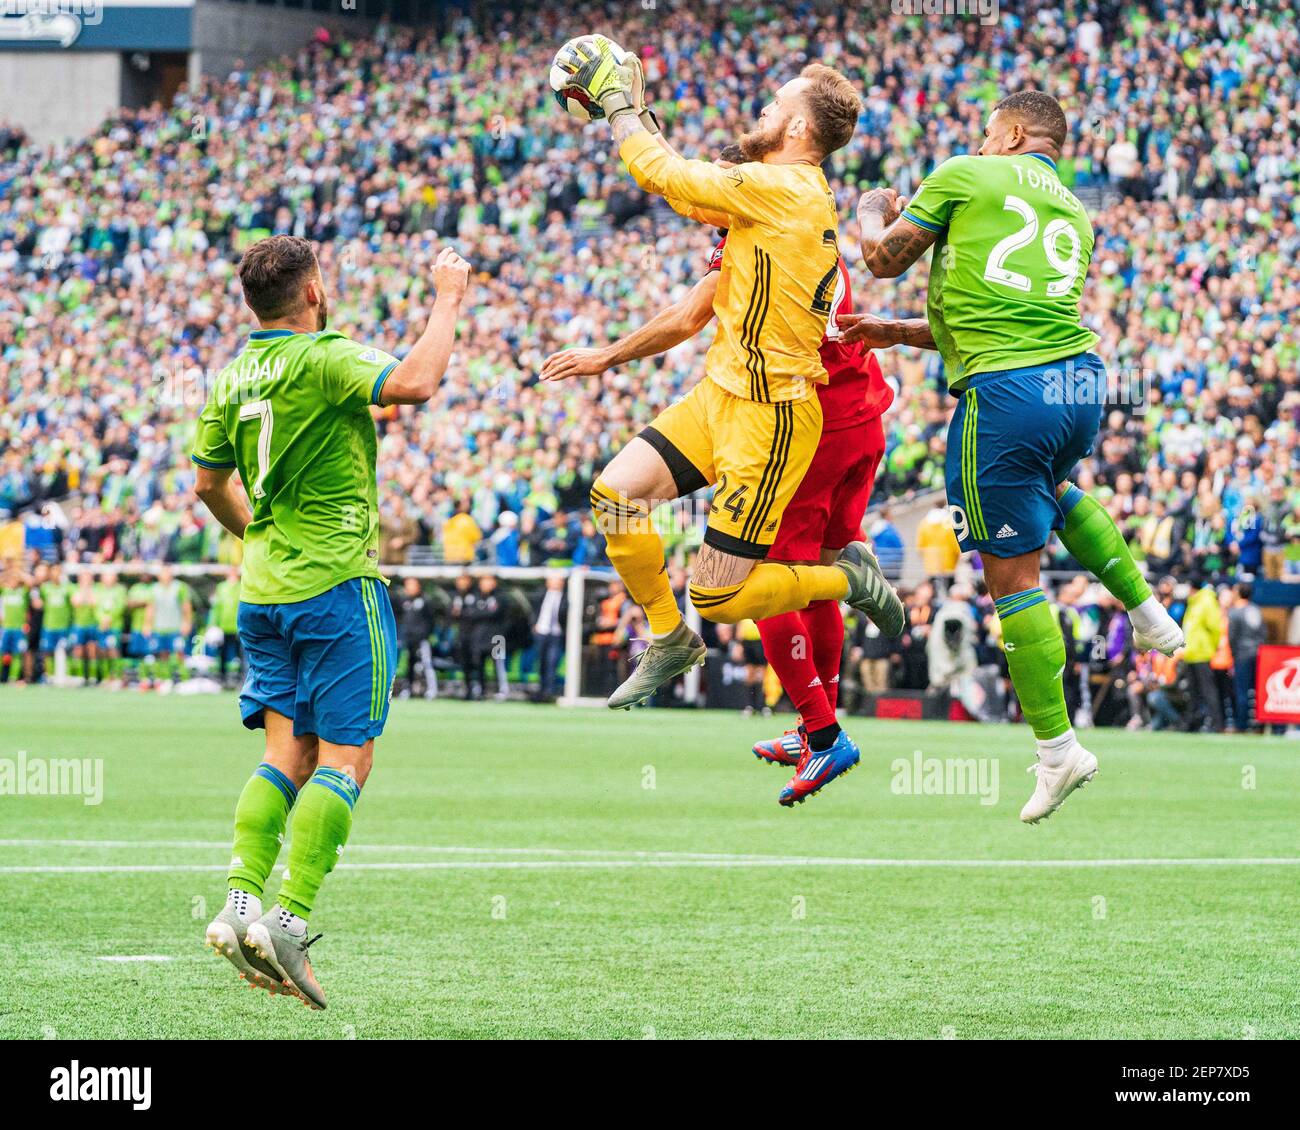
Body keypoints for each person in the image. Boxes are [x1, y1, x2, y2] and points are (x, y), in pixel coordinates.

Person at [848, 90, 1183, 823]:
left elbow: (879, 258)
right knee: (1050, 489)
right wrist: (896, 333)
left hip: (1004, 394)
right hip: (1078, 383)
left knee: (1012, 581)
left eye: (987, 128)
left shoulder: (968, 172)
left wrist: (871, 206)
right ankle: (1148, 610)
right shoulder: (1074, 210)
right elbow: (1003, 311)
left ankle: (1060, 752)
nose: (980, 137)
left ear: (1015, 132)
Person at [550, 41, 902, 717]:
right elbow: (688, 191)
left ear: (798, 129)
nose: (764, 109)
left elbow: (667, 177)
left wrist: (621, 105)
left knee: (718, 593)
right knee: (615, 495)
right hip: (721, 395)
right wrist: (637, 110)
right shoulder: (765, 194)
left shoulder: (784, 192)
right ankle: (668, 636)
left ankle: (844, 581)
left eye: (777, 104)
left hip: (770, 417)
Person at [193, 234, 470, 1008]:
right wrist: (448, 297)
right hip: (336, 587)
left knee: (289, 755)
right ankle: (287, 918)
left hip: (263, 592)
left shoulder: (232, 377)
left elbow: (210, 484)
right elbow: (415, 382)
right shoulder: (324, 356)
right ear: (312, 292)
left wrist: (260, 535)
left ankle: (240, 901)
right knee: (349, 760)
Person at [1227, 583, 1267, 733]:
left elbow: (1232, 637)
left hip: (1242, 654)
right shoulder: (1256, 610)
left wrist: (1233, 655)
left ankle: (1241, 725)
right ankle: (1260, 724)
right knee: (1258, 690)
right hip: (1258, 653)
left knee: (1242, 691)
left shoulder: (1234, 612)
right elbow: (1263, 632)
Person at [393, 575, 437, 699]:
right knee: (409, 664)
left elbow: (431, 620)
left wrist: (426, 634)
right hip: (409, 638)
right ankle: (408, 689)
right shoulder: (405, 601)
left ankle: (432, 689)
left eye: (412, 585)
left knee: (427, 663)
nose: (409, 588)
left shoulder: (425, 601)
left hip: (422, 639)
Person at [531, 572, 567, 701]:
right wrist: (534, 624)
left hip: (556, 634)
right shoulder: (540, 595)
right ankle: (541, 690)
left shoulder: (567, 597)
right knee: (541, 662)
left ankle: (549, 692)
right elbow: (533, 610)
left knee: (552, 662)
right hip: (541, 632)